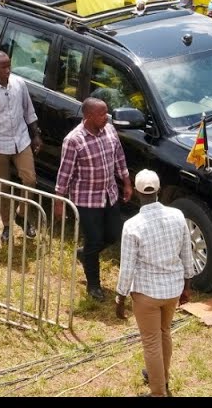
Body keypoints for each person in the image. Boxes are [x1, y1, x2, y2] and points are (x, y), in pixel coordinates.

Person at [115, 169, 194, 398]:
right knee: (164, 333)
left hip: (146, 295)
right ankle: (162, 378)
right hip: (172, 290)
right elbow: (186, 254)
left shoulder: (132, 225)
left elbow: (127, 267)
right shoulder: (177, 216)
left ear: (138, 193)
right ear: (158, 191)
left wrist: (120, 297)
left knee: (151, 342)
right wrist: (187, 286)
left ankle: (158, 392)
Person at [54, 97, 133, 301]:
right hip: (86, 200)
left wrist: (126, 182)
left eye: (106, 112)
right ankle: (94, 285)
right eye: (101, 114)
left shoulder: (110, 130)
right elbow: (65, 173)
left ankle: (85, 254)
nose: (106, 117)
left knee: (114, 235)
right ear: (88, 116)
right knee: (94, 240)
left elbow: (119, 157)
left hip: (110, 194)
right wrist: (59, 201)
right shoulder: (74, 140)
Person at [0, 50, 41, 241]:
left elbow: (29, 110)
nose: (7, 70)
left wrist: (35, 134)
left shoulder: (19, 84)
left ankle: (21, 215)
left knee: (30, 181)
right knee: (2, 188)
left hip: (21, 140)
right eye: (2, 67)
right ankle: (7, 226)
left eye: (8, 65)